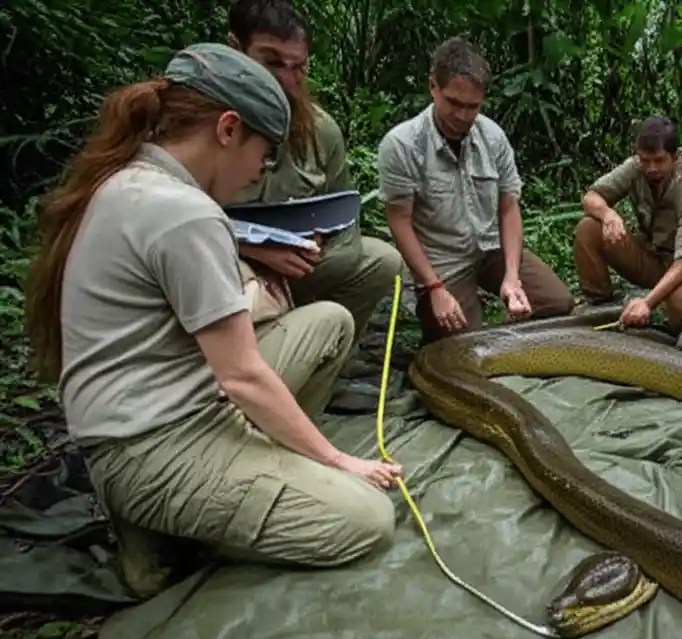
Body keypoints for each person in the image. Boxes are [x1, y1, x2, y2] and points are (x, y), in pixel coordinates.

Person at [24, 43, 400, 600]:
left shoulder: (129, 179)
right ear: (228, 129)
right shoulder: (182, 212)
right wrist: (336, 459)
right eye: (263, 155)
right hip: (151, 446)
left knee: (327, 322)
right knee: (367, 518)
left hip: (156, 403)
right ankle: (171, 526)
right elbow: (241, 375)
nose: (258, 174)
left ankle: (246, 472)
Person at [226, 0, 403, 375]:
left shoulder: (319, 130)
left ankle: (323, 367)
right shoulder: (202, 123)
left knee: (380, 260)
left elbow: (342, 211)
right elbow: (164, 225)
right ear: (235, 50)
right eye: (271, 63)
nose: (286, 80)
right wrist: (250, 247)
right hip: (217, 266)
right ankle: (240, 372)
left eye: (298, 67)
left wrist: (313, 245)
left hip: (294, 265)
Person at [376, 36, 573, 342]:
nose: (463, 116)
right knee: (464, 344)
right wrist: (434, 287)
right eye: (454, 103)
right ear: (433, 87)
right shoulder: (402, 145)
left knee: (557, 303)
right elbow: (399, 221)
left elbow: (509, 207)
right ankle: (456, 315)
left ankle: (500, 317)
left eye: (473, 107)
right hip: (443, 264)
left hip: (490, 249)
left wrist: (511, 277)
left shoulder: (492, 137)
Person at [573, 115, 682, 331]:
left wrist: (648, 303)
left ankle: (668, 325)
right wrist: (609, 215)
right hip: (649, 256)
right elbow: (591, 197)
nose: (651, 168)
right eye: (645, 161)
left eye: (659, 161)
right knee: (589, 228)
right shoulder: (636, 167)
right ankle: (600, 306)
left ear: (675, 157)